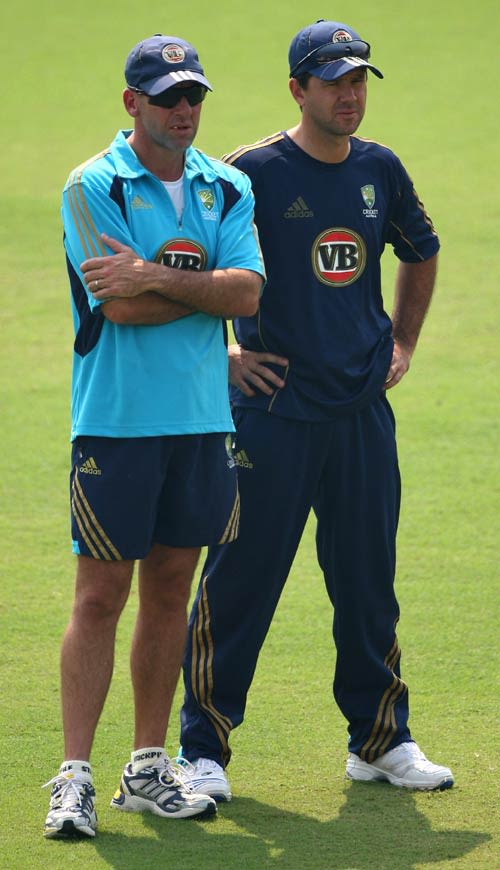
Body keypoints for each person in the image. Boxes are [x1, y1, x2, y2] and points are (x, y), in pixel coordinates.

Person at [178, 19, 454, 800]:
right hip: (270, 414)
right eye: (333, 81)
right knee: (240, 582)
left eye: (359, 80)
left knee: (369, 580)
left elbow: (422, 249)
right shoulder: (247, 172)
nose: (350, 95)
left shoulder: (380, 168)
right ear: (298, 89)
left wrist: (402, 342)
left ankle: (379, 742)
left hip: (362, 411)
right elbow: (183, 268)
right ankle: (202, 749)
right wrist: (220, 355)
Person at [43, 33, 264, 839]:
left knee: (172, 591)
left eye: (193, 95)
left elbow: (246, 294)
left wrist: (161, 276)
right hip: (118, 422)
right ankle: (74, 776)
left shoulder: (228, 187)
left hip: (203, 423)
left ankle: (145, 766)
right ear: (131, 103)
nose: (184, 109)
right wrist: (204, 292)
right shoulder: (90, 185)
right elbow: (119, 308)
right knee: (100, 596)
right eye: (167, 96)